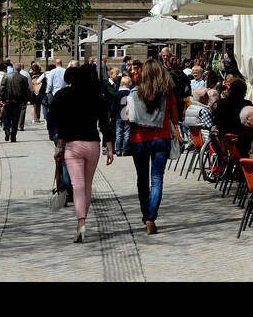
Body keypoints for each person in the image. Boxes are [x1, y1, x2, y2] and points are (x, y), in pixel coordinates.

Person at [52, 66, 114, 242]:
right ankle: (83, 221)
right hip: (92, 144)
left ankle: (81, 223)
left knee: (77, 186)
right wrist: (109, 148)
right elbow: (105, 125)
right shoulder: (99, 98)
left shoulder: (67, 96)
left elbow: (62, 123)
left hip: (73, 145)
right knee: (87, 187)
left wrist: (59, 146)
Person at [125, 58, 180, 235]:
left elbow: (128, 118)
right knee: (157, 179)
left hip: (139, 139)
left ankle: (144, 215)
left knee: (142, 179)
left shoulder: (135, 93)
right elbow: (176, 118)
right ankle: (151, 217)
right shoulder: (167, 91)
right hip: (161, 138)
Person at [0, 63, 31, 142]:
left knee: (7, 117)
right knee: (15, 119)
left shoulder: (6, 76)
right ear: (20, 69)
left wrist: (1, 98)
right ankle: (13, 136)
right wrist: (25, 100)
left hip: (8, 100)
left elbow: (2, 87)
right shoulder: (23, 78)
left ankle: (7, 131)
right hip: (18, 101)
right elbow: (25, 91)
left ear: (13, 68)